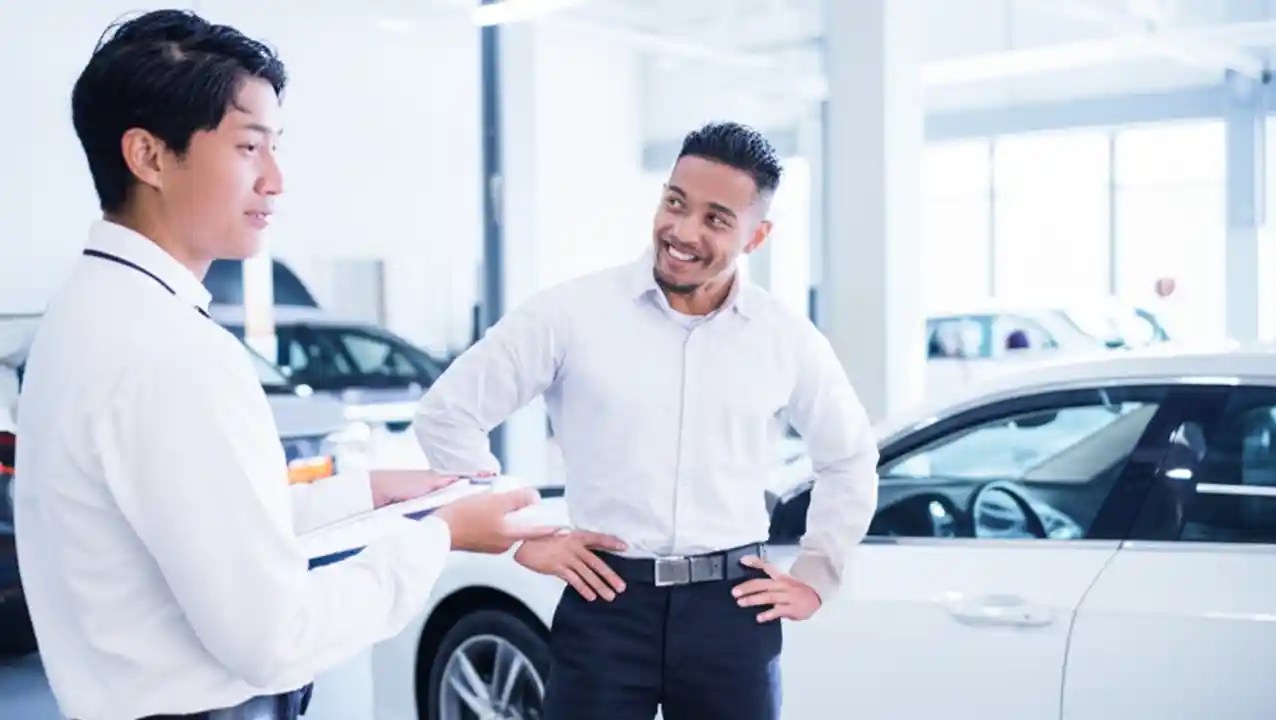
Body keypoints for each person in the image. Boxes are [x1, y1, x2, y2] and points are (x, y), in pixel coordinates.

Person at [13, 10, 552, 720]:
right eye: (248, 148)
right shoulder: (169, 350)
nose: (276, 180)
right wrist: (441, 539)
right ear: (148, 156)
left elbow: (199, 527)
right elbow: (274, 637)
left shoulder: (87, 315)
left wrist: (368, 492)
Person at [414, 122, 880, 720]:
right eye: (675, 203)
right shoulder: (571, 313)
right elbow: (448, 416)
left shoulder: (785, 337)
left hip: (731, 609)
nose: (682, 232)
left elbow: (850, 457)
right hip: (605, 600)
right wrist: (522, 535)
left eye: (715, 219)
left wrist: (818, 574)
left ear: (756, 236)